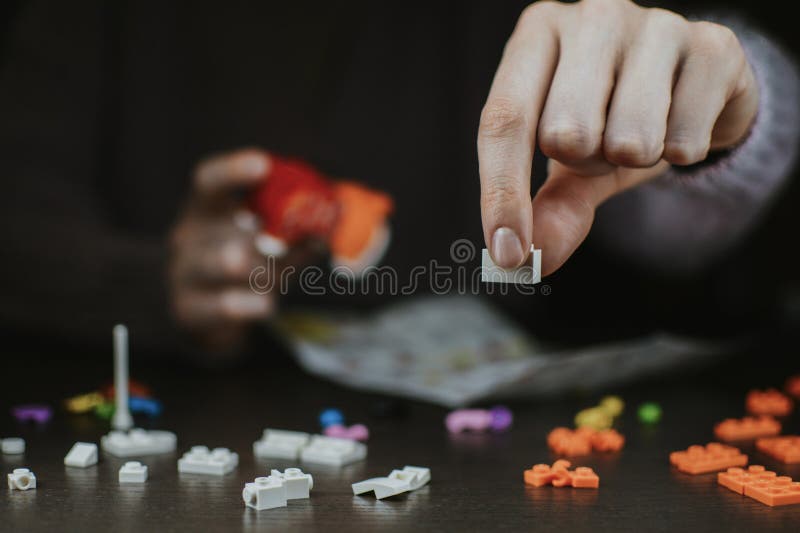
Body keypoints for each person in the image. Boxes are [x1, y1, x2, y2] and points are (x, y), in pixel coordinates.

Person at [0, 0, 797, 360]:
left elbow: (673, 228)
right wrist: (148, 281)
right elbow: (18, 206)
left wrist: (732, 125)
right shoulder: (92, 20)